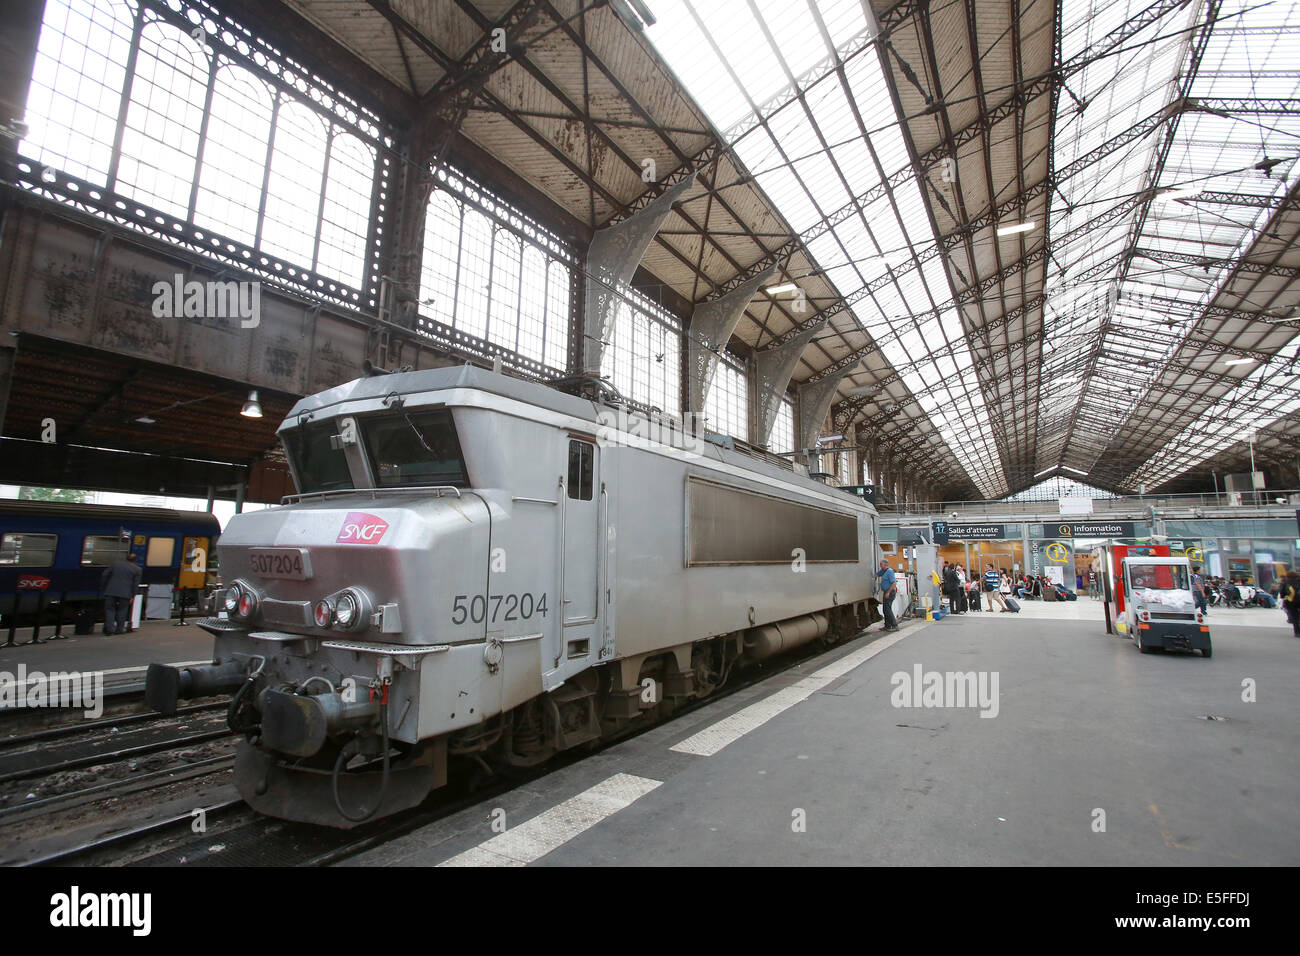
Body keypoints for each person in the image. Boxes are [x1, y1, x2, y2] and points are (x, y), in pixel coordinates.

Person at [100, 551, 142, 636]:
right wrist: (133, 596)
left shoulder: (115, 564)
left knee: (110, 610)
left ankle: (109, 629)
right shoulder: (137, 569)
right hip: (126, 593)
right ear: (135, 560)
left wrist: (105, 587)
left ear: (126, 558)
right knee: (122, 610)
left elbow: (104, 575)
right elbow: (135, 584)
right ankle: (119, 629)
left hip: (111, 591)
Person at [877, 559, 899, 631]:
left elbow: (894, 583)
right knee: (885, 609)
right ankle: (887, 626)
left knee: (887, 609)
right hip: (886, 592)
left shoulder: (889, 571)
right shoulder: (884, 571)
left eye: (881, 564)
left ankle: (895, 625)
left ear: (885, 565)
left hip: (889, 592)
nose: (880, 566)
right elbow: (877, 574)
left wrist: (888, 592)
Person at [1282, 571, 1300, 638]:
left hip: (1291, 602)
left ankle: (1297, 632)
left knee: (1295, 618)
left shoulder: (1286, 583)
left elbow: (1282, 594)